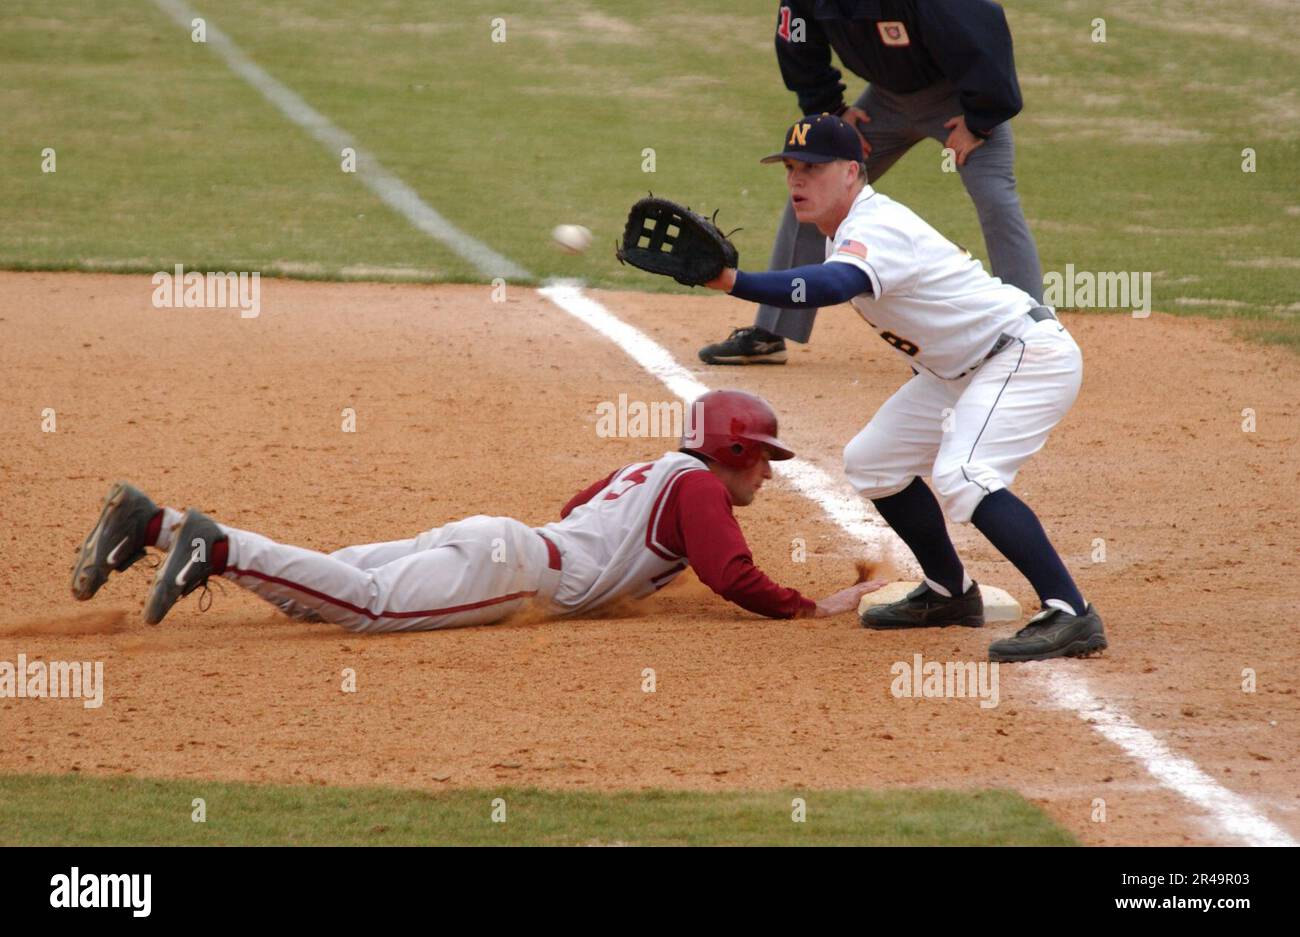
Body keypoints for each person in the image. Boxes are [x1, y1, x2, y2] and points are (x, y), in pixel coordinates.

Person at [696, 115, 1105, 662]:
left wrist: (735, 282)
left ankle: (1071, 611)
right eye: (791, 168)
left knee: (965, 475)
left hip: (1023, 356)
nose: (797, 180)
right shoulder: (842, 232)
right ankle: (948, 594)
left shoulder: (877, 226)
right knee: (873, 461)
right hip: (958, 371)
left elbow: (834, 284)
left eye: (812, 168)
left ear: (851, 173)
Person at [69, 390, 884, 631]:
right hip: (518, 566)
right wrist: (812, 604)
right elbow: (731, 574)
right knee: (367, 607)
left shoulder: (650, 468)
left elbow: (577, 508)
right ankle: (215, 548)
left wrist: (633, 574)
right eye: (766, 461)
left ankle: (155, 524)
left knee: (333, 583)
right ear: (735, 450)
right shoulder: (702, 488)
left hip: (500, 537)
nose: (769, 478)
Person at [699, 0, 1041, 365]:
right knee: (814, 191)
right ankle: (770, 332)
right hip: (885, 103)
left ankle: (1032, 330)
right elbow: (797, 48)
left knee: (996, 199)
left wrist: (979, 121)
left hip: (958, 100)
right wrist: (832, 109)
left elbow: (986, 29)